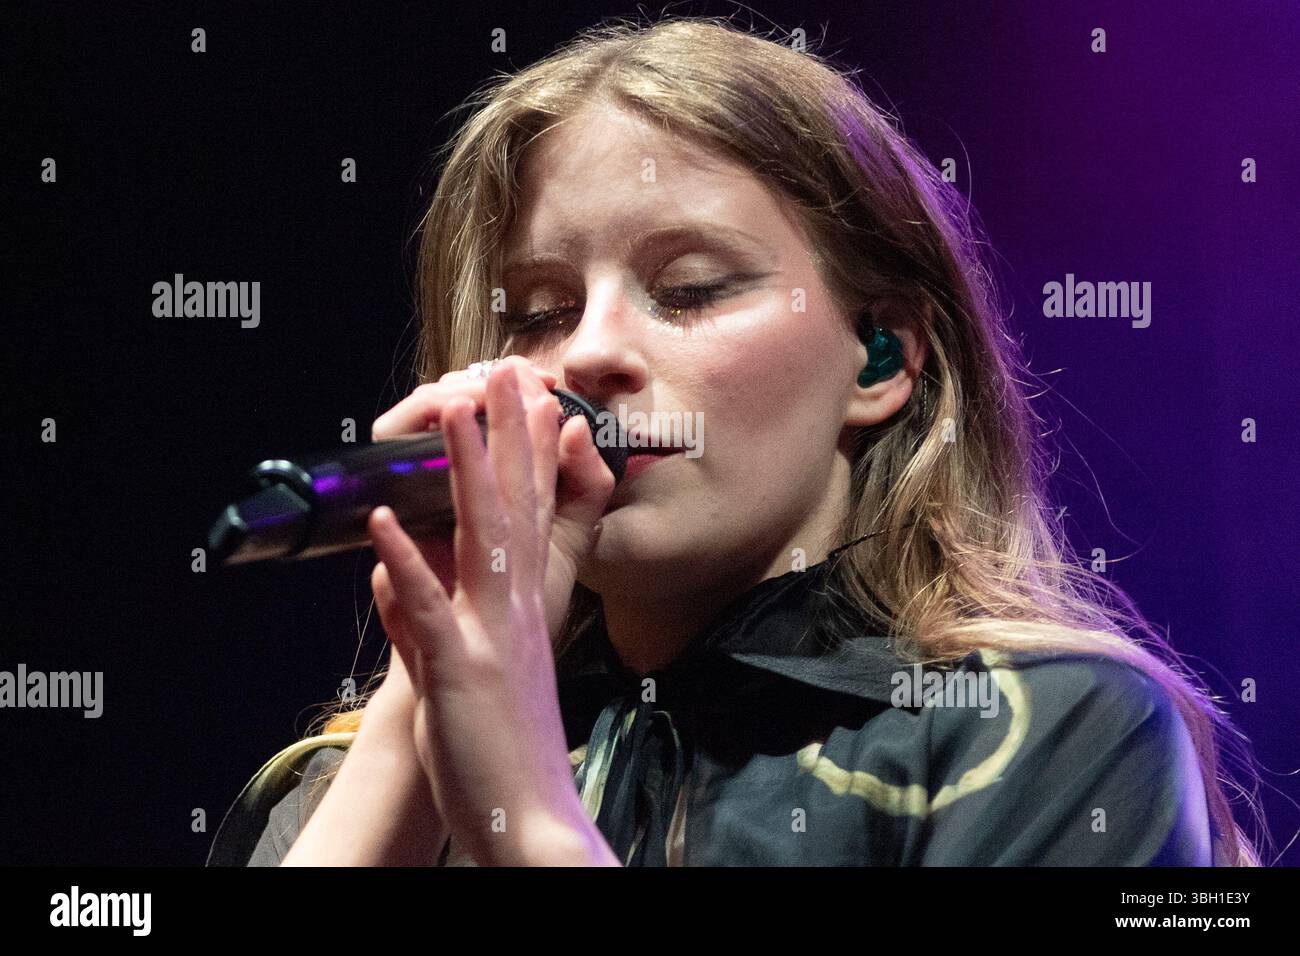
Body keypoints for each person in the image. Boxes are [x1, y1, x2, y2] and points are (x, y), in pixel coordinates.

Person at [207, 16, 1265, 867]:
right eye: (535, 311)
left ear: (880, 356)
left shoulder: (1043, 731)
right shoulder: (346, 785)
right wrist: (416, 713)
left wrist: (527, 821)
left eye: (688, 289)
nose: (589, 353)